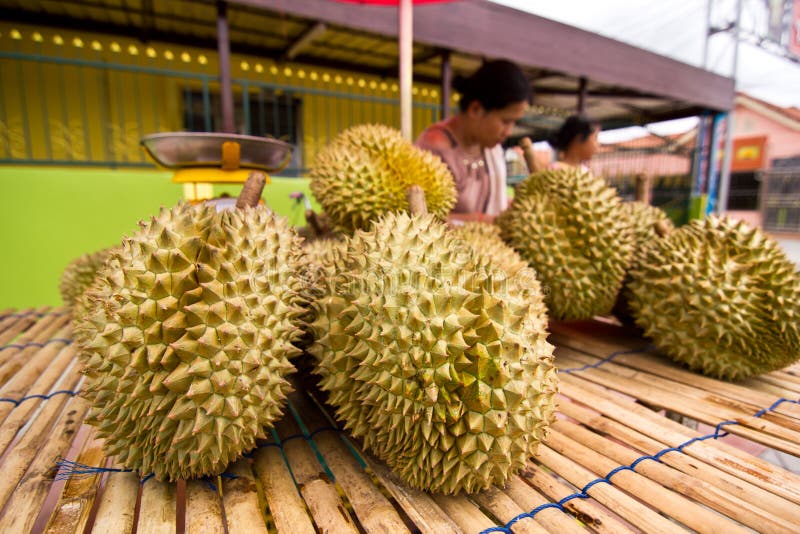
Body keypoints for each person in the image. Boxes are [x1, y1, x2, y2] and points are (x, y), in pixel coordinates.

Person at [416, 60, 530, 223]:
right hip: (447, 246)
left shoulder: (491, 148)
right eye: (505, 121)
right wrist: (482, 220)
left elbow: (494, 200)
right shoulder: (434, 148)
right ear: (475, 109)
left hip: (489, 245)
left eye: (514, 123)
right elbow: (419, 217)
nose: (509, 132)